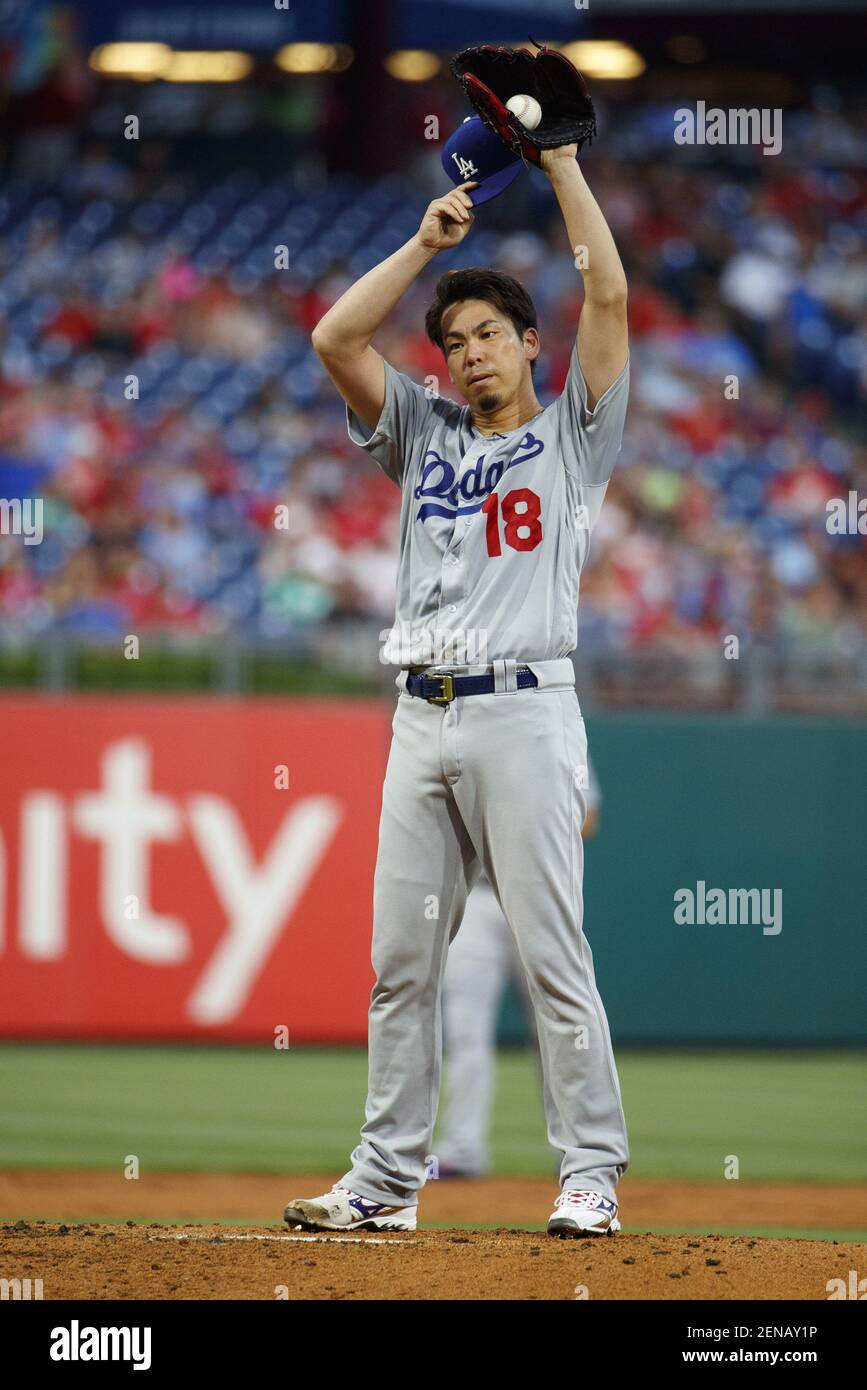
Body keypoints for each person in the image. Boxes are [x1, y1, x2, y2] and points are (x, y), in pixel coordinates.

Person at [284, 143, 630, 1238]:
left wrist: (564, 164)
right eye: (454, 340)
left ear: (533, 345)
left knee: (548, 956)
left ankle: (589, 1174)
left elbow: (609, 291)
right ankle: (386, 1179)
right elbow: (335, 336)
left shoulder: (573, 433)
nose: (471, 353)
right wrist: (426, 247)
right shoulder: (421, 431)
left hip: (525, 708)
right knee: (399, 965)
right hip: (419, 713)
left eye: (490, 334)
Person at [435, 755, 601, 1180]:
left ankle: (574, 1151)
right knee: (465, 1029)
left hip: (534, 891)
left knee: (555, 1027)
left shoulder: (554, 729)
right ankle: (462, 1148)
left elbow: (589, 817)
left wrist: (520, 830)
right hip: (476, 898)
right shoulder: (461, 735)